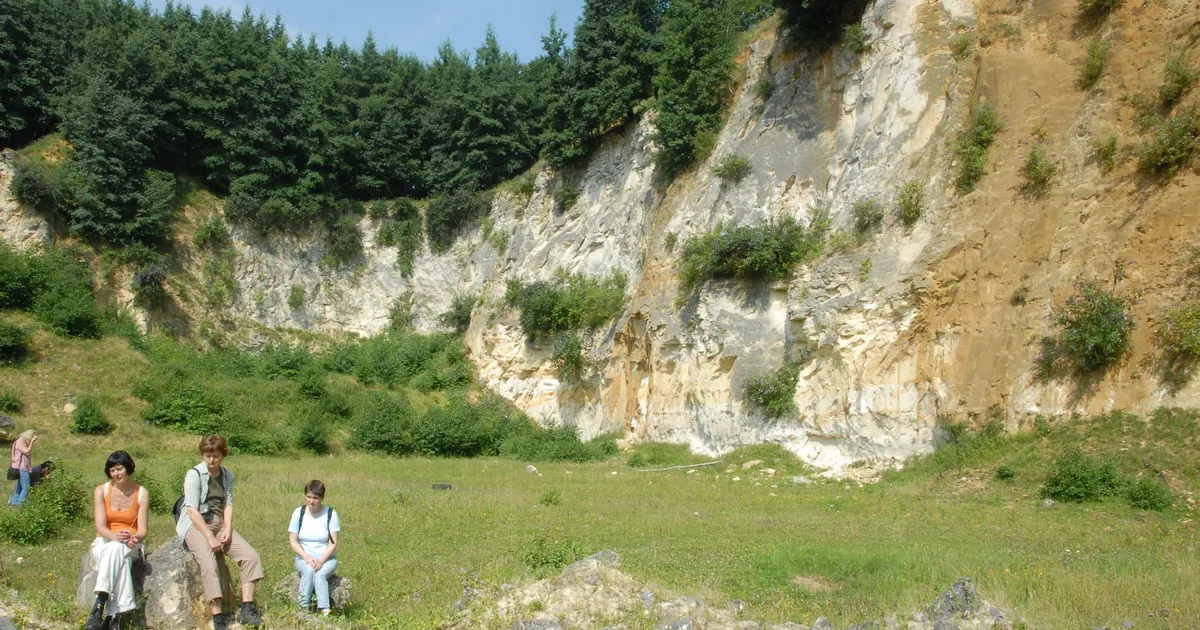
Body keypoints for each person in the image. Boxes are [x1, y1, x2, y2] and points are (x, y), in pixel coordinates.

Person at [176, 435, 265, 630]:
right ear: (202, 455)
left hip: (219, 522)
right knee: (209, 564)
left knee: (250, 556)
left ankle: (247, 609)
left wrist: (228, 527)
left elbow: (229, 504)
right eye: (207, 455)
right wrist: (209, 536)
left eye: (215, 455)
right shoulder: (195, 474)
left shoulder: (226, 475)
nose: (211, 460)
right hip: (196, 524)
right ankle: (219, 619)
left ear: (223, 455)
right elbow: (191, 509)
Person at [85, 451, 150, 630]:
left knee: (119, 550)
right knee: (118, 553)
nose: (116, 474)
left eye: (119, 469)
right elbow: (100, 527)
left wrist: (133, 537)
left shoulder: (142, 493)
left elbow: (143, 531)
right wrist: (115, 537)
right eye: (112, 470)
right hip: (105, 542)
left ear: (128, 467)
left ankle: (99, 604)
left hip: (131, 544)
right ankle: (113, 618)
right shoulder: (101, 491)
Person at [287, 480, 340, 616]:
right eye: (309, 497)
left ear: (322, 498)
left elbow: (333, 543)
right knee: (309, 570)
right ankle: (303, 608)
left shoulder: (330, 514)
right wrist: (307, 557)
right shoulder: (298, 513)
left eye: (315, 498)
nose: (311, 501)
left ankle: (325, 609)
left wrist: (321, 561)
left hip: (326, 559)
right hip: (303, 558)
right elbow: (293, 540)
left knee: (320, 574)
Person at [8, 429, 36, 506]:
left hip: (21, 467)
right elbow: (26, 452)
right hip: (21, 467)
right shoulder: (19, 442)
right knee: (26, 487)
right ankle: (20, 504)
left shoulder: (21, 442)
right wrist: (32, 442)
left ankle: (14, 502)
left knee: (19, 487)